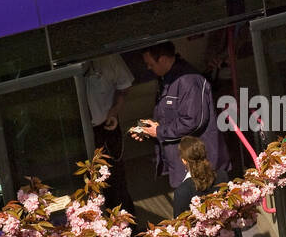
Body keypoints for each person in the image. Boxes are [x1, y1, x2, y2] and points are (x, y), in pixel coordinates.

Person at [131, 40, 230, 189]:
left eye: (150, 64)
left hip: (201, 168)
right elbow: (169, 117)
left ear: (163, 59)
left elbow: (193, 121)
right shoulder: (167, 79)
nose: (148, 68)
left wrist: (158, 131)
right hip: (183, 167)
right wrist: (149, 129)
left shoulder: (188, 81)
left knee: (208, 209)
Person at [83, 53, 136, 218]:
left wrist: (114, 112)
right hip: (77, 131)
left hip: (106, 125)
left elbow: (125, 86)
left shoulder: (107, 57)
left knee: (115, 182)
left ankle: (127, 233)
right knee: (87, 183)